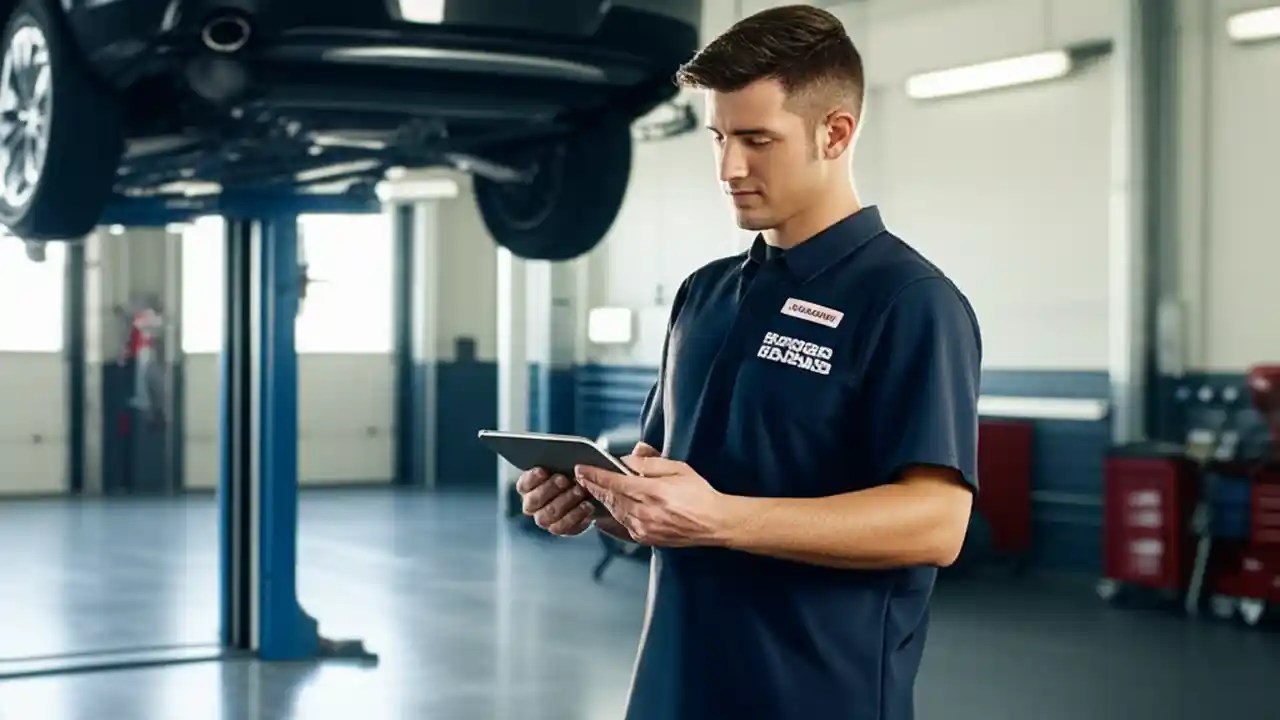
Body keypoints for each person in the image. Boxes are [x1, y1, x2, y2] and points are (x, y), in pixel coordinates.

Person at [514, 6, 981, 719]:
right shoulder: (706, 294)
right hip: (674, 688)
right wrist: (598, 502)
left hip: (816, 695)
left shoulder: (910, 301)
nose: (730, 167)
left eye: (758, 140)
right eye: (720, 138)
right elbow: (666, 486)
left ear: (836, 132)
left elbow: (936, 524)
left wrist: (722, 520)